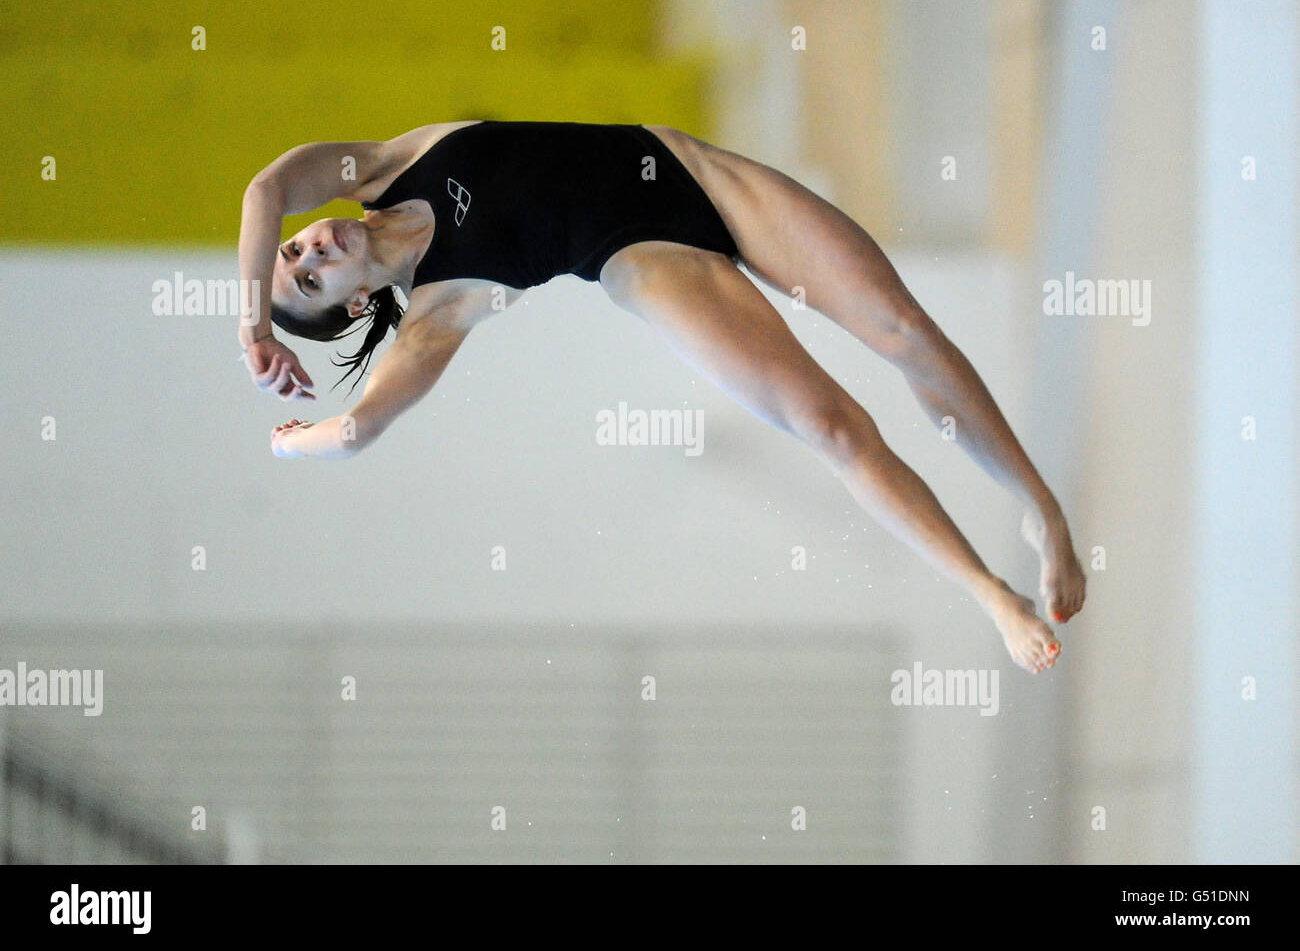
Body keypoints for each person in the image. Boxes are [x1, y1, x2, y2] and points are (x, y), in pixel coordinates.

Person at [238, 119, 1085, 673]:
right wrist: (287, 441)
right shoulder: (435, 314)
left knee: (905, 330)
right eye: (311, 277)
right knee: (831, 426)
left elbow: (265, 188)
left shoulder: (386, 164)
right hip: (650, 261)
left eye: (297, 250)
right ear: (352, 303)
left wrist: (256, 324)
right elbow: (352, 430)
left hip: (693, 171)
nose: (312, 249)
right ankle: (991, 594)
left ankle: (1042, 512)